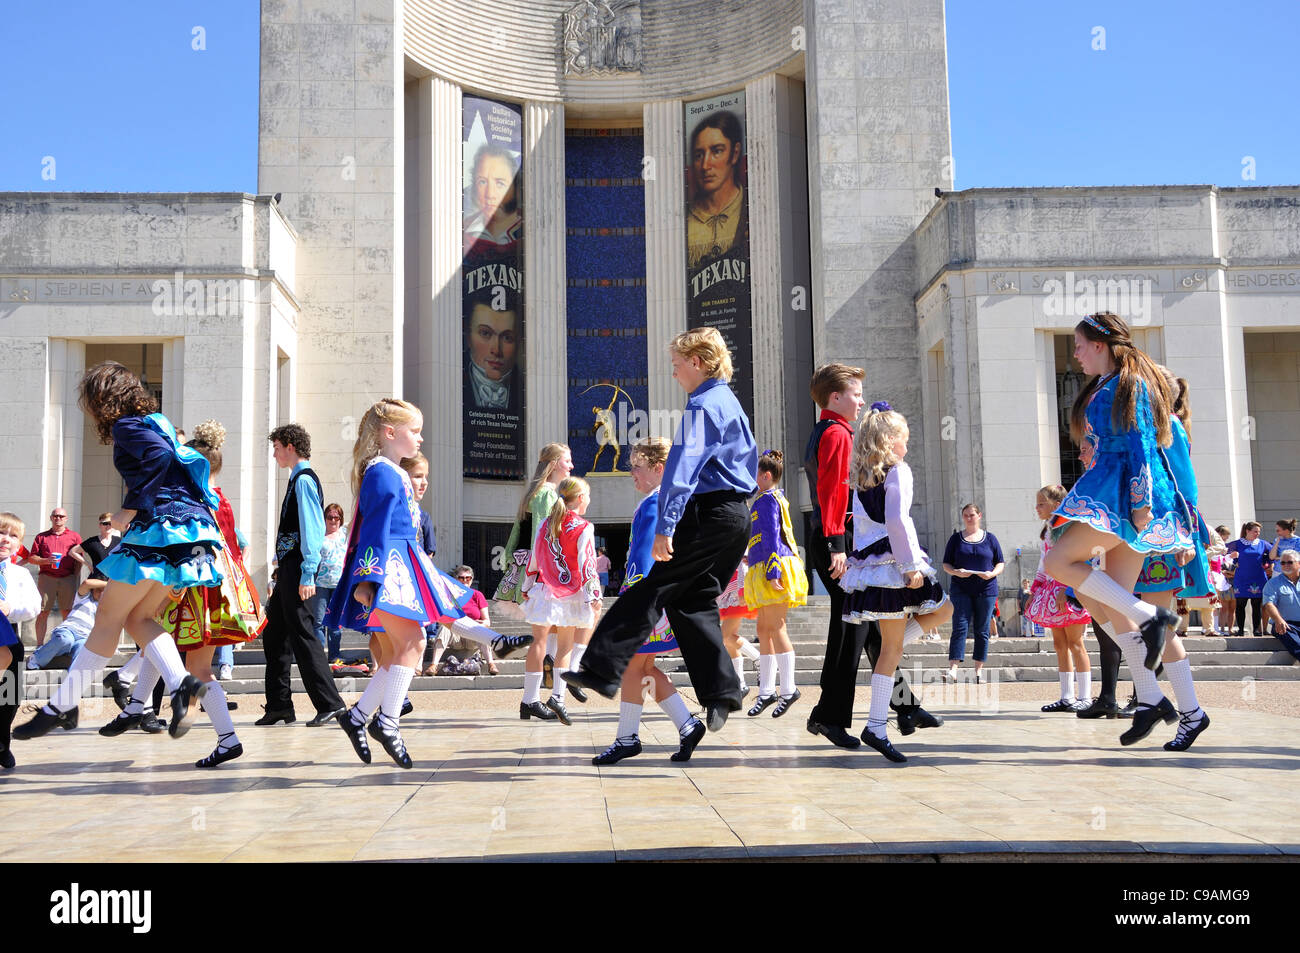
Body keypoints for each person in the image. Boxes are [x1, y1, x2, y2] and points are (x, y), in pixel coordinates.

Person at [565, 327, 756, 733]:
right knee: (692, 599)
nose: (674, 373)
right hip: (735, 515)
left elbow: (680, 474)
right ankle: (722, 691)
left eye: (676, 365)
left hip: (710, 513)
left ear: (698, 363)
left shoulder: (702, 406)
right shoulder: (729, 402)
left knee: (652, 589)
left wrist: (665, 527)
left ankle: (600, 668)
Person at [15, 361, 212, 743]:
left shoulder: (127, 425)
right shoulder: (156, 420)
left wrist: (131, 506)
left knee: (107, 615)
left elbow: (158, 458)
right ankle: (181, 686)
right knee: (138, 617)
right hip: (189, 530)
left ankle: (58, 707)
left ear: (102, 398)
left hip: (160, 527)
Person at [327, 399, 527, 767]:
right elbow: (373, 527)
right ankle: (385, 722)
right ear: (390, 433)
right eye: (414, 431)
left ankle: (357, 718)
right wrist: (369, 577)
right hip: (391, 563)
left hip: (400, 560)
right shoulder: (383, 473)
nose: (420, 438)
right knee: (414, 641)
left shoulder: (387, 471)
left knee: (396, 651)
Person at [1042, 313, 1193, 748]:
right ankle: (1172, 706)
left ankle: (1154, 628)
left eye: (1080, 344)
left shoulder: (1132, 384)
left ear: (1101, 345)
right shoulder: (1106, 385)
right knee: (1109, 604)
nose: (1074, 352)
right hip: (1110, 491)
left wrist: (1143, 502)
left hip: (1125, 498)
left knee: (1059, 561)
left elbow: (1143, 444)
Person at [803, 363, 941, 749]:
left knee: (870, 624)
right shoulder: (837, 434)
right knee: (855, 626)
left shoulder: (832, 431)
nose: (862, 400)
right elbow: (832, 493)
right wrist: (837, 547)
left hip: (839, 539)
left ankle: (902, 706)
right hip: (839, 540)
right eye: (855, 393)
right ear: (835, 397)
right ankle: (831, 717)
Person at [125, 420, 266, 767]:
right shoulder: (220, 499)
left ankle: (223, 736)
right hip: (220, 587)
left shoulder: (200, 500)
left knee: (175, 651)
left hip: (197, 587)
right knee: (173, 650)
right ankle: (137, 702)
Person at [840, 403, 953, 762]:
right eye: (904, 438)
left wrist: (864, 563)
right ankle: (875, 726)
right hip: (894, 562)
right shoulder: (897, 471)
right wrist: (909, 564)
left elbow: (862, 527)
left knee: (893, 646)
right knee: (939, 613)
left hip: (875, 563)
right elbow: (897, 519)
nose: (907, 444)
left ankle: (877, 724)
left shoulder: (861, 476)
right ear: (890, 440)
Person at [592, 437, 707, 764]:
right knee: (640, 666)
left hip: (647, 596)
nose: (631, 473)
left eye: (636, 467)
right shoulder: (670, 501)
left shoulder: (655, 503)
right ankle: (685, 726)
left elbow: (644, 556)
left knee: (634, 664)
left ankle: (630, 737)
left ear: (658, 469)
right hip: (662, 598)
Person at [257, 423, 348, 727]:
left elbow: (313, 528)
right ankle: (279, 705)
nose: (274, 454)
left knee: (304, 634)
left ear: (290, 447)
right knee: (273, 635)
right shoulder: (296, 479)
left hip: (299, 568)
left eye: (276, 448)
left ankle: (330, 703)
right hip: (288, 567)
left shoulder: (304, 481)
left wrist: (308, 573)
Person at [521, 477, 602, 724]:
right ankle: (558, 697)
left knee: (540, 644)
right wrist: (594, 595)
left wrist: (526, 586)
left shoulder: (546, 523)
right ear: (579, 498)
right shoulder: (583, 526)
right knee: (564, 648)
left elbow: (535, 558)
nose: (588, 500)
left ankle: (531, 700)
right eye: (587, 496)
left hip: (543, 590)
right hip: (569, 592)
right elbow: (587, 562)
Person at [743, 450, 809, 718]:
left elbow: (772, 535)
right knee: (763, 628)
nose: (753, 479)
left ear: (766, 475)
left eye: (756, 474)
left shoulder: (770, 500)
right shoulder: (763, 499)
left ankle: (789, 688)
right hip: (764, 566)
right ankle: (767, 690)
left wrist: (773, 571)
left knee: (776, 626)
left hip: (775, 565)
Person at [1026, 485, 1093, 711]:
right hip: (1051, 588)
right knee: (1059, 644)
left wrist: (1069, 588)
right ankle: (1067, 696)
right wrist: (1035, 589)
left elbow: (1078, 557)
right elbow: (1044, 561)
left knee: (1076, 643)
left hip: (1068, 587)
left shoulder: (1069, 527)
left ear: (1056, 505)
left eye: (1041, 503)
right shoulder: (1049, 529)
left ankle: (1085, 696)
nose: (1037, 508)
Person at [941, 503, 1005, 683]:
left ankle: (978, 671)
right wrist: (956, 572)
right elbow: (946, 564)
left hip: (986, 588)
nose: (969, 518)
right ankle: (953, 669)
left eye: (972, 515)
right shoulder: (955, 539)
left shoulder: (990, 538)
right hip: (961, 588)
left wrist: (991, 574)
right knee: (959, 626)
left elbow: (1000, 562)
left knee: (982, 629)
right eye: (966, 515)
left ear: (979, 516)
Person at [1, 512, 40, 769]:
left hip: (9, 634)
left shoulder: (20, 574)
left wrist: (10, 608)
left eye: (13, 536)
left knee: (9, 695)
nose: (6, 539)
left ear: (19, 545)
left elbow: (34, 606)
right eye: (2, 532)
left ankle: (3, 744)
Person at [686, 111, 748, 271]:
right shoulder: (686, 219)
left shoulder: (750, 209)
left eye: (717, 151)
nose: (705, 165)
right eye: (699, 155)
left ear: (734, 154)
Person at [29, 507, 83, 648]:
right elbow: (32, 558)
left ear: (66, 519)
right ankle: (39, 646)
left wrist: (74, 576)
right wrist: (46, 561)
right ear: (51, 518)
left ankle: (67, 644)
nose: (58, 518)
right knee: (42, 612)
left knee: (67, 611)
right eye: (55, 516)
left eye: (61, 516)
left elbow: (80, 558)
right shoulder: (42, 537)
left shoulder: (75, 536)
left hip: (67, 577)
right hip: (47, 577)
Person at [26, 575, 105, 671]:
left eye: (104, 591)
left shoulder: (106, 609)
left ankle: (73, 677)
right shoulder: (84, 598)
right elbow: (86, 583)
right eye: (98, 590)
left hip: (84, 637)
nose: (101, 593)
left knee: (83, 650)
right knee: (66, 640)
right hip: (69, 630)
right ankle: (36, 658)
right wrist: (110, 585)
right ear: (92, 590)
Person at [463, 292, 520, 413]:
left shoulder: (525, 390)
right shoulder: (454, 384)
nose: (496, 350)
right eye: (485, 333)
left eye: (507, 338)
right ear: (468, 336)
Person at [463, 142, 522, 257]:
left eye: (500, 183)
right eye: (482, 182)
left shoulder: (527, 233)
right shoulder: (463, 230)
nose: (489, 194)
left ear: (515, 189)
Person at [310, 503, 348, 662]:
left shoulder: (345, 533)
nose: (333, 520)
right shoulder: (318, 535)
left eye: (336, 517)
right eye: (330, 517)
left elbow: (359, 517)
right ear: (324, 519)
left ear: (341, 519)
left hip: (339, 585)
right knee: (318, 621)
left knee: (335, 623)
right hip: (320, 584)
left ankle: (334, 655)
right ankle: (319, 657)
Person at [1228, 522, 1270, 636]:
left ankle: (1256, 629)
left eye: (1259, 532)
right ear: (1247, 531)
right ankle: (1240, 630)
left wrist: (1266, 563)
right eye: (1255, 531)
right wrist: (1233, 561)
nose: (1257, 534)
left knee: (1256, 605)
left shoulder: (1263, 544)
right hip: (1241, 578)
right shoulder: (1237, 544)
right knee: (1240, 604)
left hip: (1258, 578)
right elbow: (1224, 552)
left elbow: (1272, 555)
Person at [1262, 551, 1300, 664]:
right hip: (1286, 624)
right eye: (1283, 563)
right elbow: (1269, 604)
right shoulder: (1273, 583)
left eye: (1289, 562)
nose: (1286, 565)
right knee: (1284, 630)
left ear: (1298, 563)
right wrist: (1278, 620)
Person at [69, 513, 121, 577]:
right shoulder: (92, 542)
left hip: (113, 579)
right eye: (105, 523)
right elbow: (72, 552)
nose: (108, 526)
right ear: (100, 525)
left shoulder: (119, 541)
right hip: (97, 578)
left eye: (110, 523)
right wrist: (88, 564)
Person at [1215, 525, 1237, 635]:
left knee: (1232, 607)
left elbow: (1229, 562)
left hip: (1231, 581)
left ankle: (1230, 629)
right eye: (1224, 537)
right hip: (1221, 581)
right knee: (1223, 607)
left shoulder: (1225, 547)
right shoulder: (1214, 546)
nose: (1225, 540)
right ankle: (1222, 628)